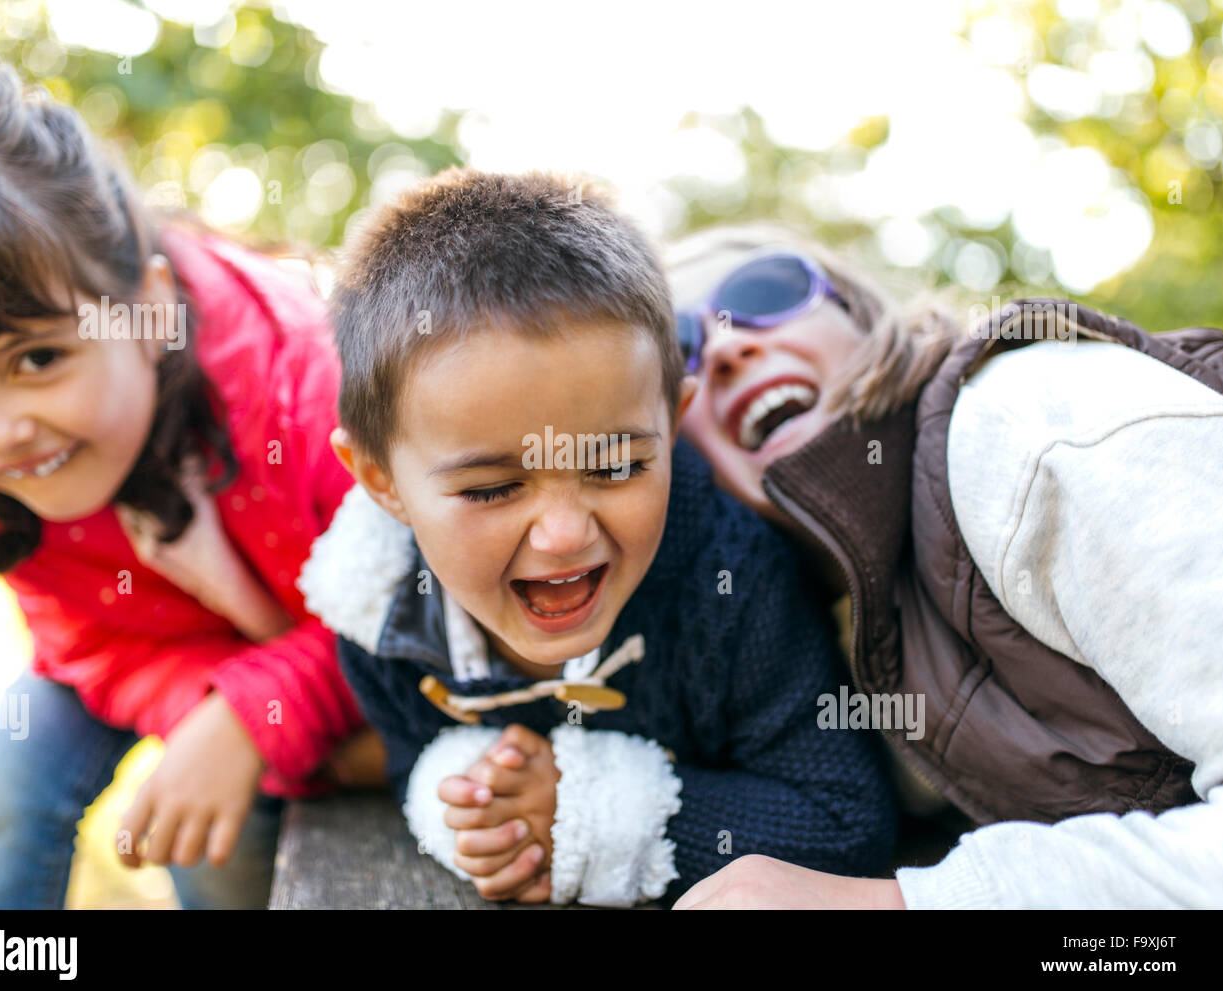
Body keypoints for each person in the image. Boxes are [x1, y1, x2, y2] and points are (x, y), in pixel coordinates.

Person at [296, 169, 898, 907]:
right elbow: (413, 758)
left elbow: (845, 820)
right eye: (491, 488)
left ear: (674, 424)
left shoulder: (736, 586)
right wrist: (474, 810)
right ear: (381, 479)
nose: (562, 534)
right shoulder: (383, 616)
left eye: (616, 466)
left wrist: (590, 815)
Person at [0, 66, 383, 909]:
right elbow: (82, 636)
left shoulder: (305, 401)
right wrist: (201, 709)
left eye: (37, 360)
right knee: (4, 777)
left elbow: (407, 620)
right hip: (140, 655)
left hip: (326, 660)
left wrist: (252, 714)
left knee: (217, 841)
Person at [667, 223, 1223, 908]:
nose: (726, 345)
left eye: (767, 291)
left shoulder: (1031, 426)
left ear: (860, 311)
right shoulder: (820, 621)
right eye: (679, 353)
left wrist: (906, 905)